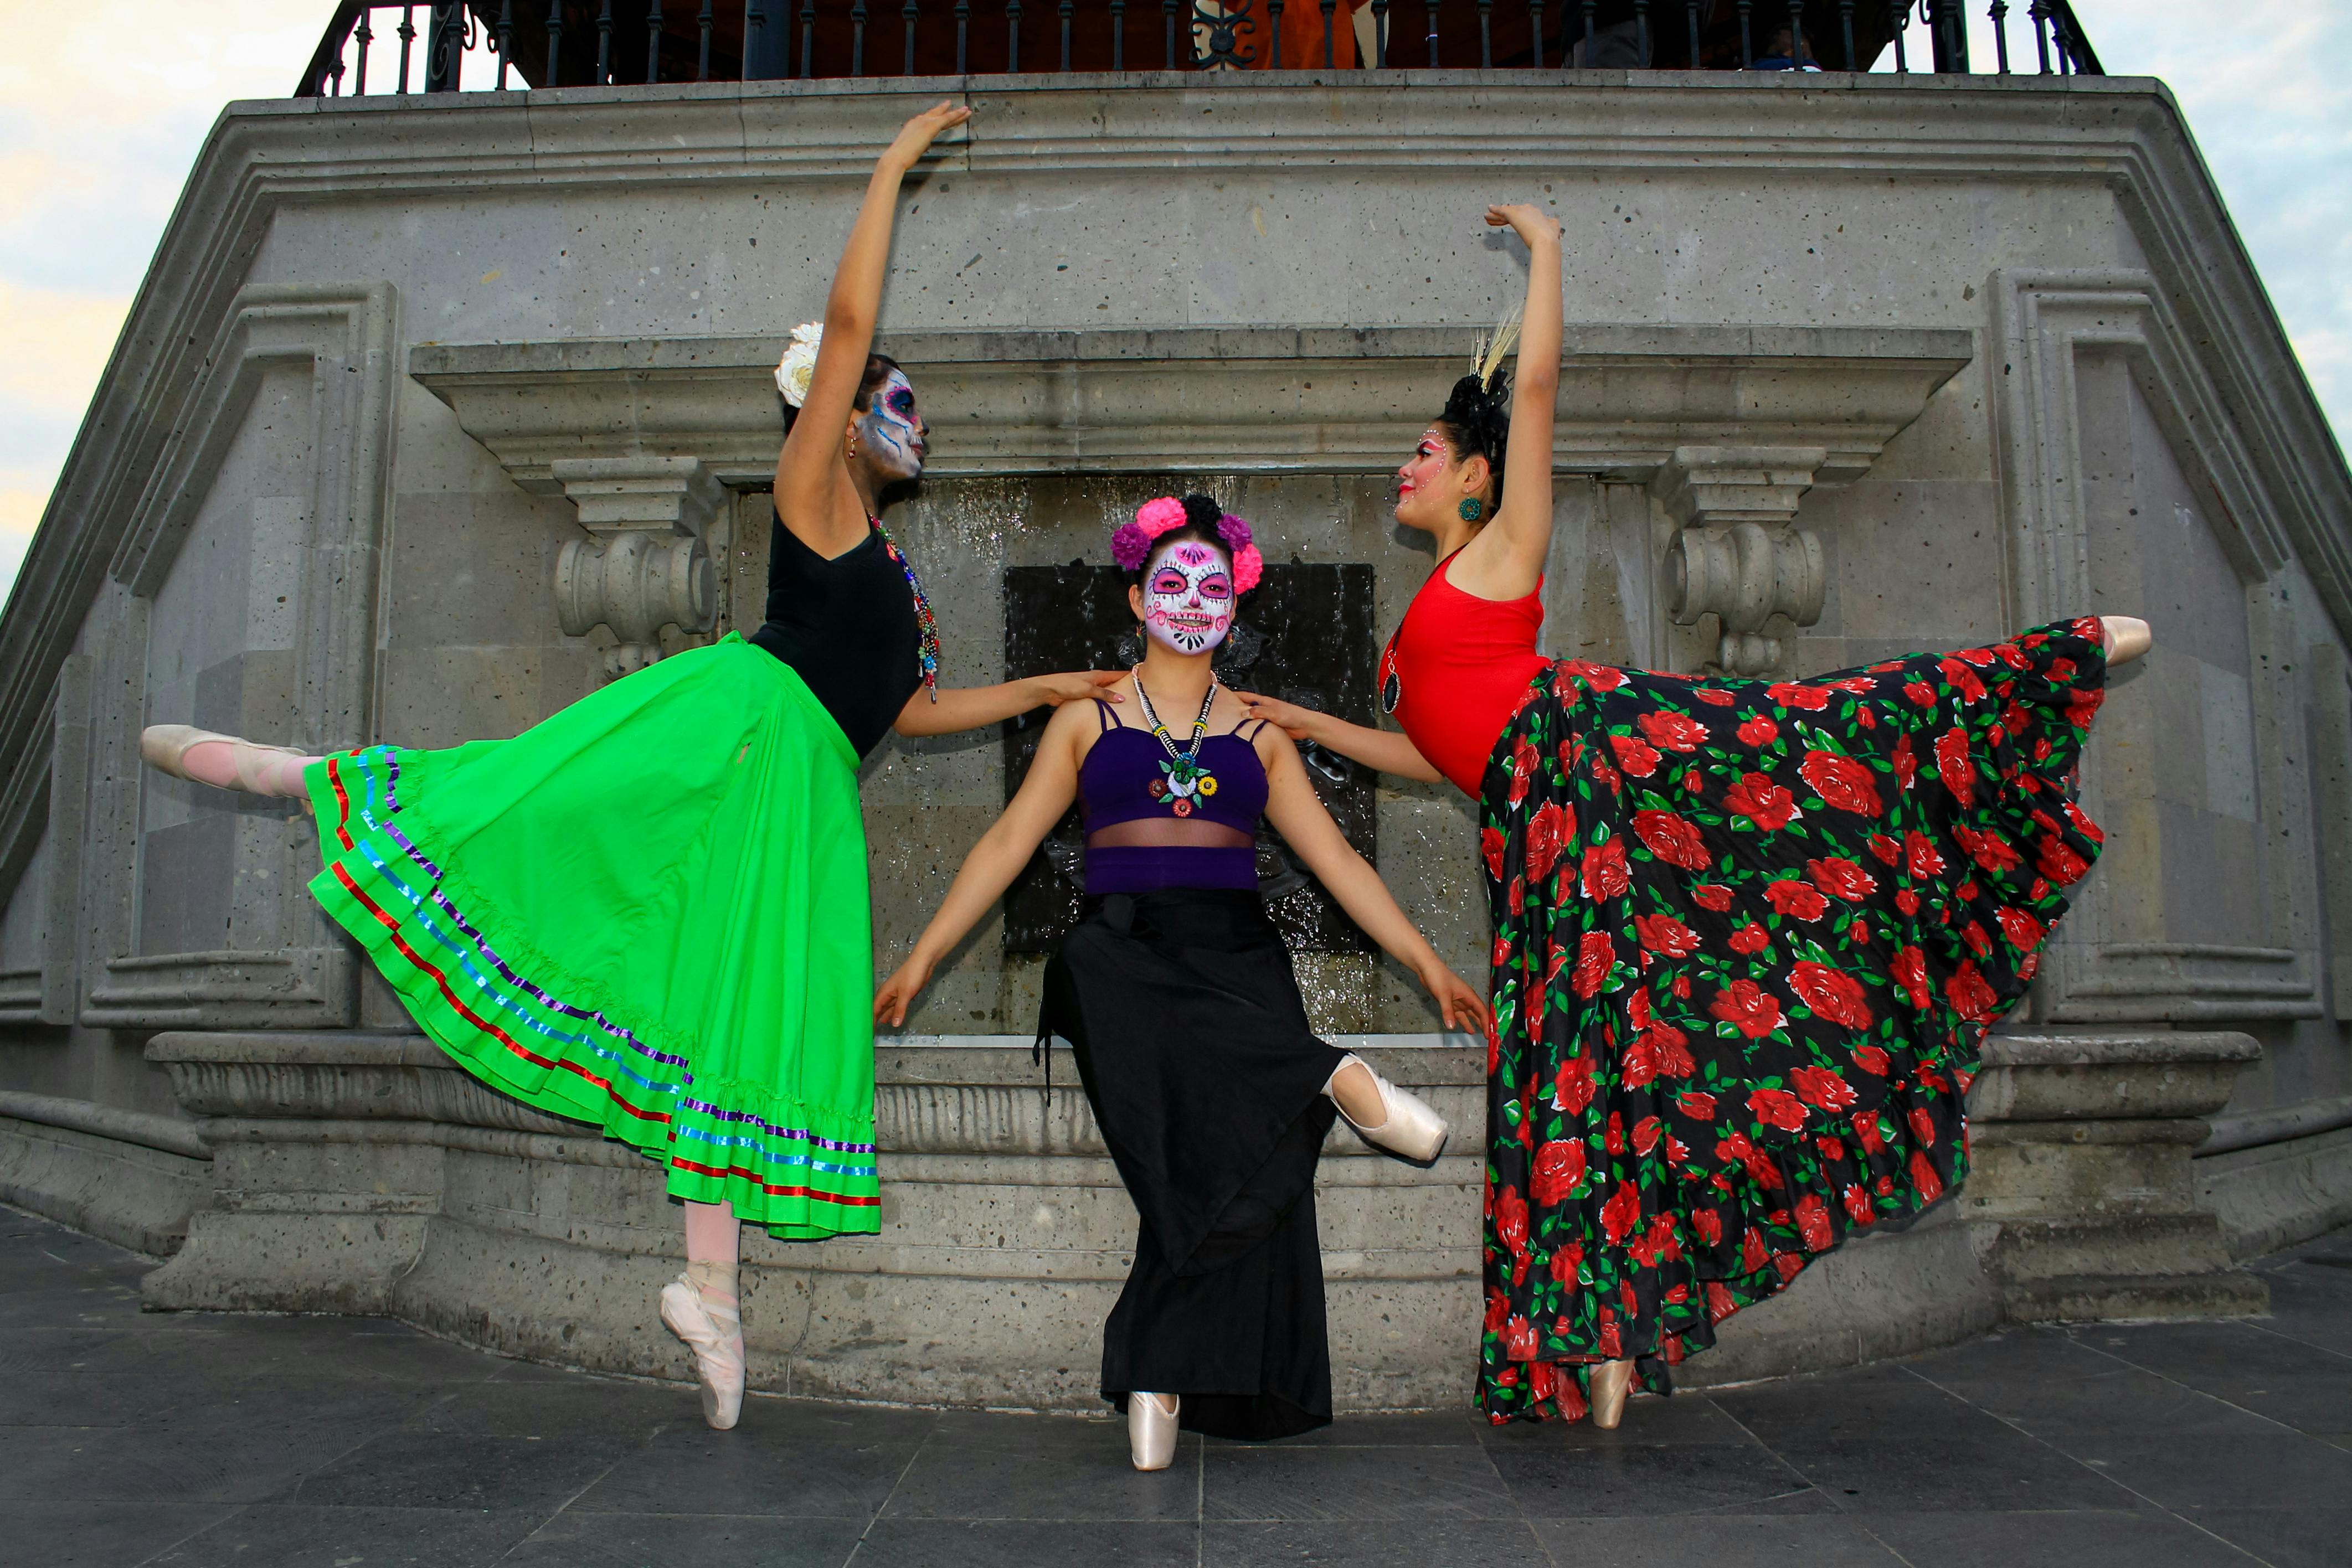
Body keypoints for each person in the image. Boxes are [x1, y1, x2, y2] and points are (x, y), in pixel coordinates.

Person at [135, 102, 1124, 1434]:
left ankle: (708, 1294)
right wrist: (889, 170)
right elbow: (842, 335)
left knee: (729, 1010)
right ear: (833, 416)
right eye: (896, 401)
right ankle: (311, 778)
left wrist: (1058, 687)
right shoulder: (812, 494)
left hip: (809, 782)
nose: (913, 422)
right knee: (535, 803)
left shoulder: (890, 568)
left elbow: (918, 709)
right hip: (737, 731)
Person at [1239, 203, 2154, 1428]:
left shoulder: (1504, 549)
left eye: (1422, 450)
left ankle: (2043, 670)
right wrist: (1296, 722)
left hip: (1595, 764)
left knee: (1812, 743)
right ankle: (1593, 1341)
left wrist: (1550, 254)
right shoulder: (1429, 610)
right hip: (1535, 822)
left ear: (1473, 473)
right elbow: (1426, 752)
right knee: (1577, 1067)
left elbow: (1542, 394)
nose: (1403, 467)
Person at [873, 495, 1489, 1469]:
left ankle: (1158, 1370)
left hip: (1239, 959)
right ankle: (1323, 1074)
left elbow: (1340, 866)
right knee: (1083, 958)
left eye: (1212, 586)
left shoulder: (1263, 736)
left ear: (1233, 610)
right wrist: (920, 960)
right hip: (1128, 954)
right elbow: (1008, 842)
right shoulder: (1087, 718)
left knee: (1205, 1167)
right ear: (1136, 598)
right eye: (1172, 582)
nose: (1192, 601)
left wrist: (1430, 965)